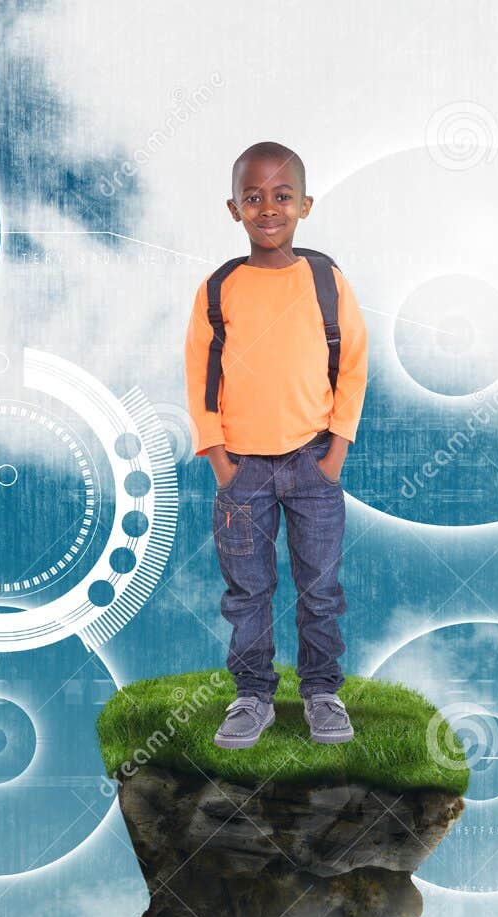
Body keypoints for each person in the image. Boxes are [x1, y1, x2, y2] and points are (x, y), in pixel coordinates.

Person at [184, 141, 368, 748]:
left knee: (321, 587)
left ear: (305, 205)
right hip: (242, 472)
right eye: (253, 197)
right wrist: (218, 458)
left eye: (282, 196)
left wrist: (336, 449)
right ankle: (252, 696)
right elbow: (200, 374)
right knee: (247, 589)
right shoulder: (219, 289)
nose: (268, 208)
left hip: (313, 463)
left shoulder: (324, 279)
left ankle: (321, 692)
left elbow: (352, 365)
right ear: (233, 208)